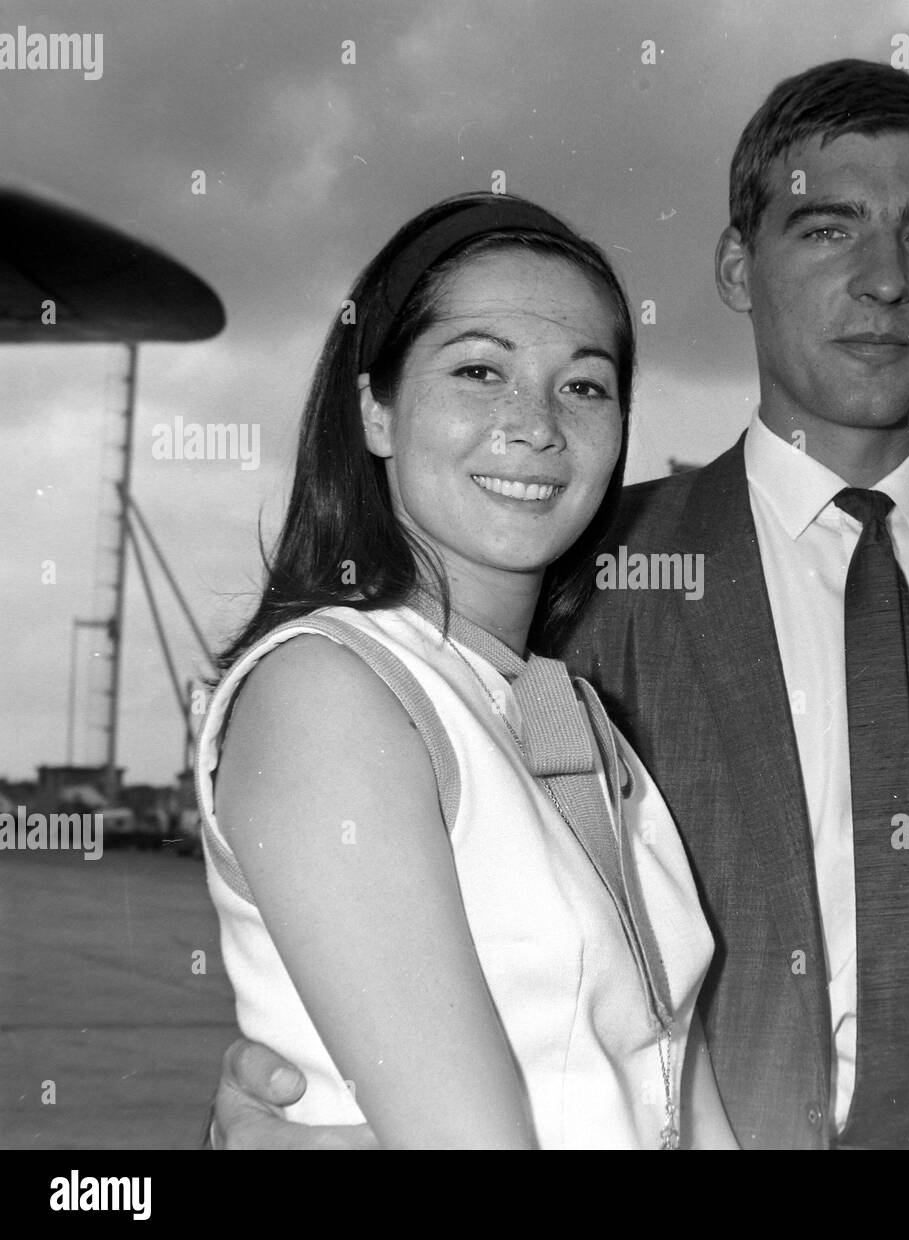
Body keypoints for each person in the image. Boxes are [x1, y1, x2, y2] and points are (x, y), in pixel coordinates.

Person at [213, 60, 909, 1150]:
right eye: (825, 227)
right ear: (735, 265)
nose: (885, 279)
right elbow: (364, 967)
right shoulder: (567, 580)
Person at [196, 190, 737, 1149]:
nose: (535, 424)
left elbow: (671, 1097)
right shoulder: (331, 691)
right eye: (480, 370)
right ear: (376, 408)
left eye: (584, 385)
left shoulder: (559, 705)